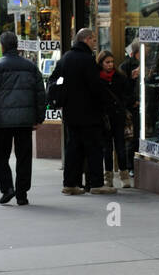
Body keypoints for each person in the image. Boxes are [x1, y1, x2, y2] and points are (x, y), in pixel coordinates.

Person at [0, 30, 46, 205]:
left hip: (1, 121)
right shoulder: (31, 67)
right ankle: (22, 193)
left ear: (2, 46)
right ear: (17, 45)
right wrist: (39, 118)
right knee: (24, 156)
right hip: (25, 120)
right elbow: (40, 94)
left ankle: (7, 187)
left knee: (0, 155)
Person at [46, 28, 108, 195]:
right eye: (93, 40)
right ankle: (96, 184)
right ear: (86, 40)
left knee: (73, 147)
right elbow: (95, 87)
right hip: (89, 112)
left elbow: (54, 79)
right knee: (94, 148)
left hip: (70, 112)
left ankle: (70, 183)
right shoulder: (88, 60)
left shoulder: (66, 58)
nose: (95, 43)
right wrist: (104, 103)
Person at [98, 49, 132, 189]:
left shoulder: (120, 77)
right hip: (104, 118)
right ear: (101, 63)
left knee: (120, 147)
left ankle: (124, 176)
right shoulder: (97, 78)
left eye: (112, 62)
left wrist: (123, 106)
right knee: (107, 148)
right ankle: (109, 177)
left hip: (118, 117)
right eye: (107, 62)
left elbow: (127, 94)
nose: (110, 65)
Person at [119, 37, 141, 176]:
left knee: (136, 136)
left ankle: (131, 165)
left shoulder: (142, 64)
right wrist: (132, 102)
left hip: (137, 106)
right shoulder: (127, 66)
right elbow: (124, 89)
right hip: (131, 107)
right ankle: (129, 166)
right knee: (131, 137)